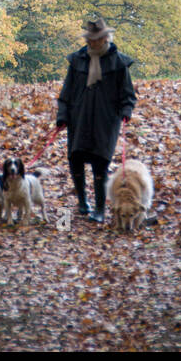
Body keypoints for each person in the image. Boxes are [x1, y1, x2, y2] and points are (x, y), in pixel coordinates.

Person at [56, 16, 136, 223]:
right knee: (75, 158)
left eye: (96, 39)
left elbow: (127, 94)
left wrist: (126, 111)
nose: (92, 43)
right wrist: (62, 115)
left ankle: (100, 209)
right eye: (90, 39)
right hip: (79, 117)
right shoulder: (77, 60)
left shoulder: (119, 63)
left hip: (106, 120)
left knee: (100, 162)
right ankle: (82, 202)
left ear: (105, 38)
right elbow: (66, 92)